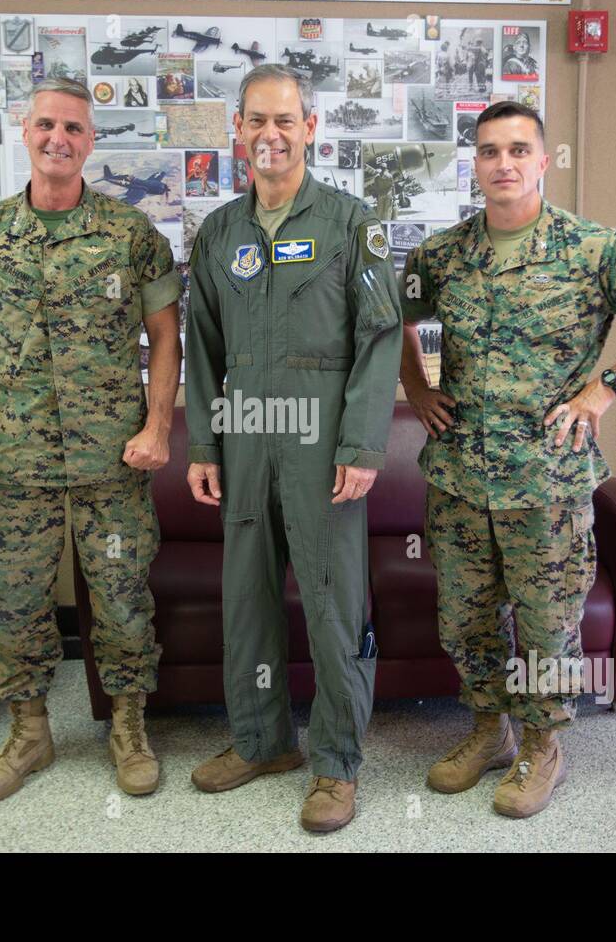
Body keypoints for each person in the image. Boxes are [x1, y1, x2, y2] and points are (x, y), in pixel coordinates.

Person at [399, 101, 616, 818]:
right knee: (466, 619)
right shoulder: (438, 256)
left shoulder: (593, 250)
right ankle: (489, 733)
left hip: (547, 481)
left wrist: (606, 388)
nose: (502, 163)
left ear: (544, 161)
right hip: (457, 480)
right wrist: (418, 386)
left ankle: (543, 747)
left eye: (517, 150)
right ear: (473, 165)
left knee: (545, 625)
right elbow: (401, 321)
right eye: (487, 151)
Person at [0, 78, 183, 804]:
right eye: (46, 124)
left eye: (73, 128)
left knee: (122, 598)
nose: (58, 139)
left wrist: (158, 426)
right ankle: (30, 732)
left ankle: (129, 728)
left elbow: (167, 335)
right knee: (14, 600)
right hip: (15, 461)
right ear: (24, 130)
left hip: (114, 459)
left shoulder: (131, 234)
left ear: (90, 141)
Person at [184, 65, 402, 833]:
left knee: (334, 603)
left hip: (322, 444)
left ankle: (337, 764)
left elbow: (380, 339)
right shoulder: (218, 233)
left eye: (285, 121)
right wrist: (204, 443)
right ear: (237, 131)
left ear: (311, 128)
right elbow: (201, 348)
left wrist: (362, 442)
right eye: (256, 121)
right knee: (246, 602)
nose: (269, 135)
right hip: (243, 437)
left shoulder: (353, 223)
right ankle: (261, 740)